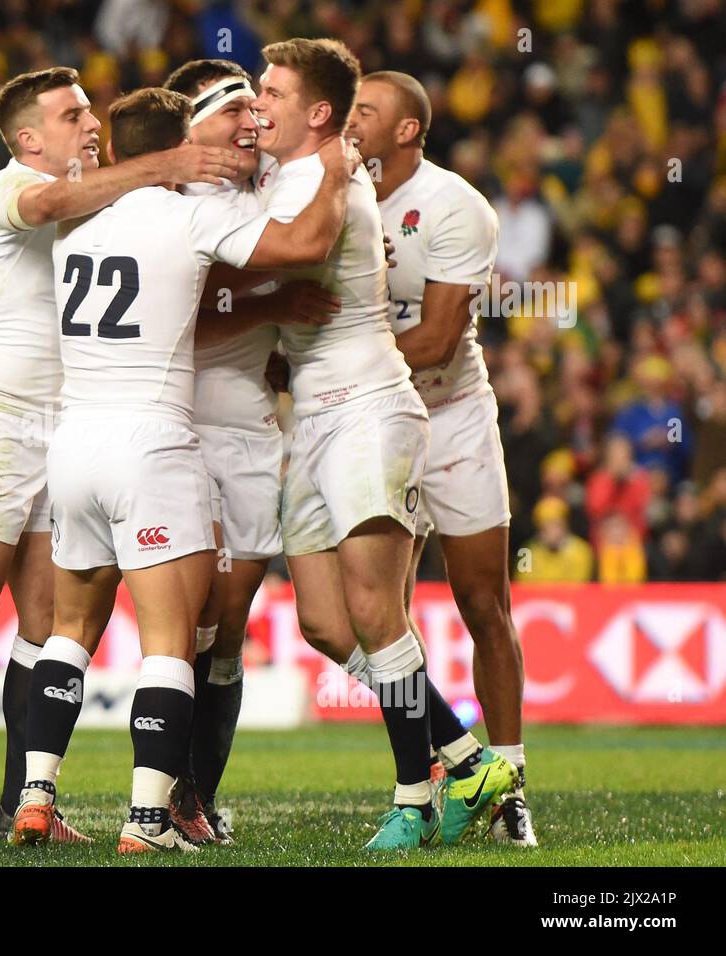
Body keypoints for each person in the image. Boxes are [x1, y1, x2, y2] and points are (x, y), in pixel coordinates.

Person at [0, 66, 248, 841]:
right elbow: (49, 203)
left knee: (45, 627)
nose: (91, 123)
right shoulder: (15, 189)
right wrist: (169, 163)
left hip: (71, 431)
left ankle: (20, 804)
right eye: (72, 116)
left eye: (89, 112)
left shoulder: (101, 197)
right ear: (30, 138)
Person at [11, 86, 355, 852]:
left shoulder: (75, 220)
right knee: (170, 641)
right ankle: (145, 820)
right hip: (152, 443)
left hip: (72, 445)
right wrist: (334, 170)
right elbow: (303, 247)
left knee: (69, 632)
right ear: (181, 149)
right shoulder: (190, 212)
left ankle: (36, 795)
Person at [251, 40, 517, 850]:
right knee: (327, 623)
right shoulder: (302, 174)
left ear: (319, 114)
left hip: (377, 406)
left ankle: (416, 796)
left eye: (271, 91)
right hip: (317, 416)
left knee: (396, 606)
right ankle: (466, 756)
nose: (257, 102)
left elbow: (298, 257)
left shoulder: (334, 177)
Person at [347, 70, 535, 845]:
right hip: (366, 418)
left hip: (451, 417)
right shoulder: (329, 194)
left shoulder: (457, 207)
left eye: (366, 110)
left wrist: (333, 357)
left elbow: (433, 340)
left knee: (483, 607)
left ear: (408, 131)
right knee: (372, 616)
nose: (350, 120)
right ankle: (437, 774)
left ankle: (510, 788)